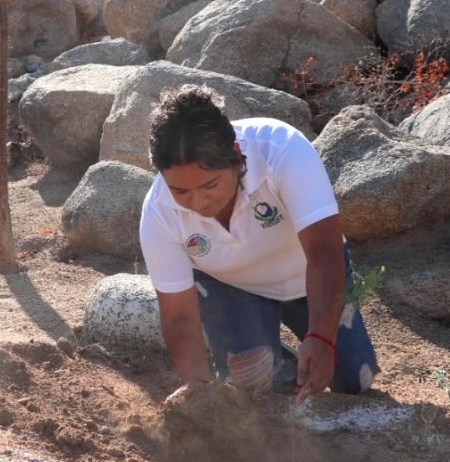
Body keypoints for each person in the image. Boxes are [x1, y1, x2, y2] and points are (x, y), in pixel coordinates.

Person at [138, 86, 379, 406]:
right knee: (250, 384)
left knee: (353, 381)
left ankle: (290, 348)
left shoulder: (283, 150)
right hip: (231, 285)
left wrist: (321, 337)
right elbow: (179, 316)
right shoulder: (158, 211)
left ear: (237, 156)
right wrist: (197, 384)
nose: (197, 201)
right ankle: (271, 357)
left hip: (309, 273)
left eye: (210, 185)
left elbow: (325, 250)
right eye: (180, 191)